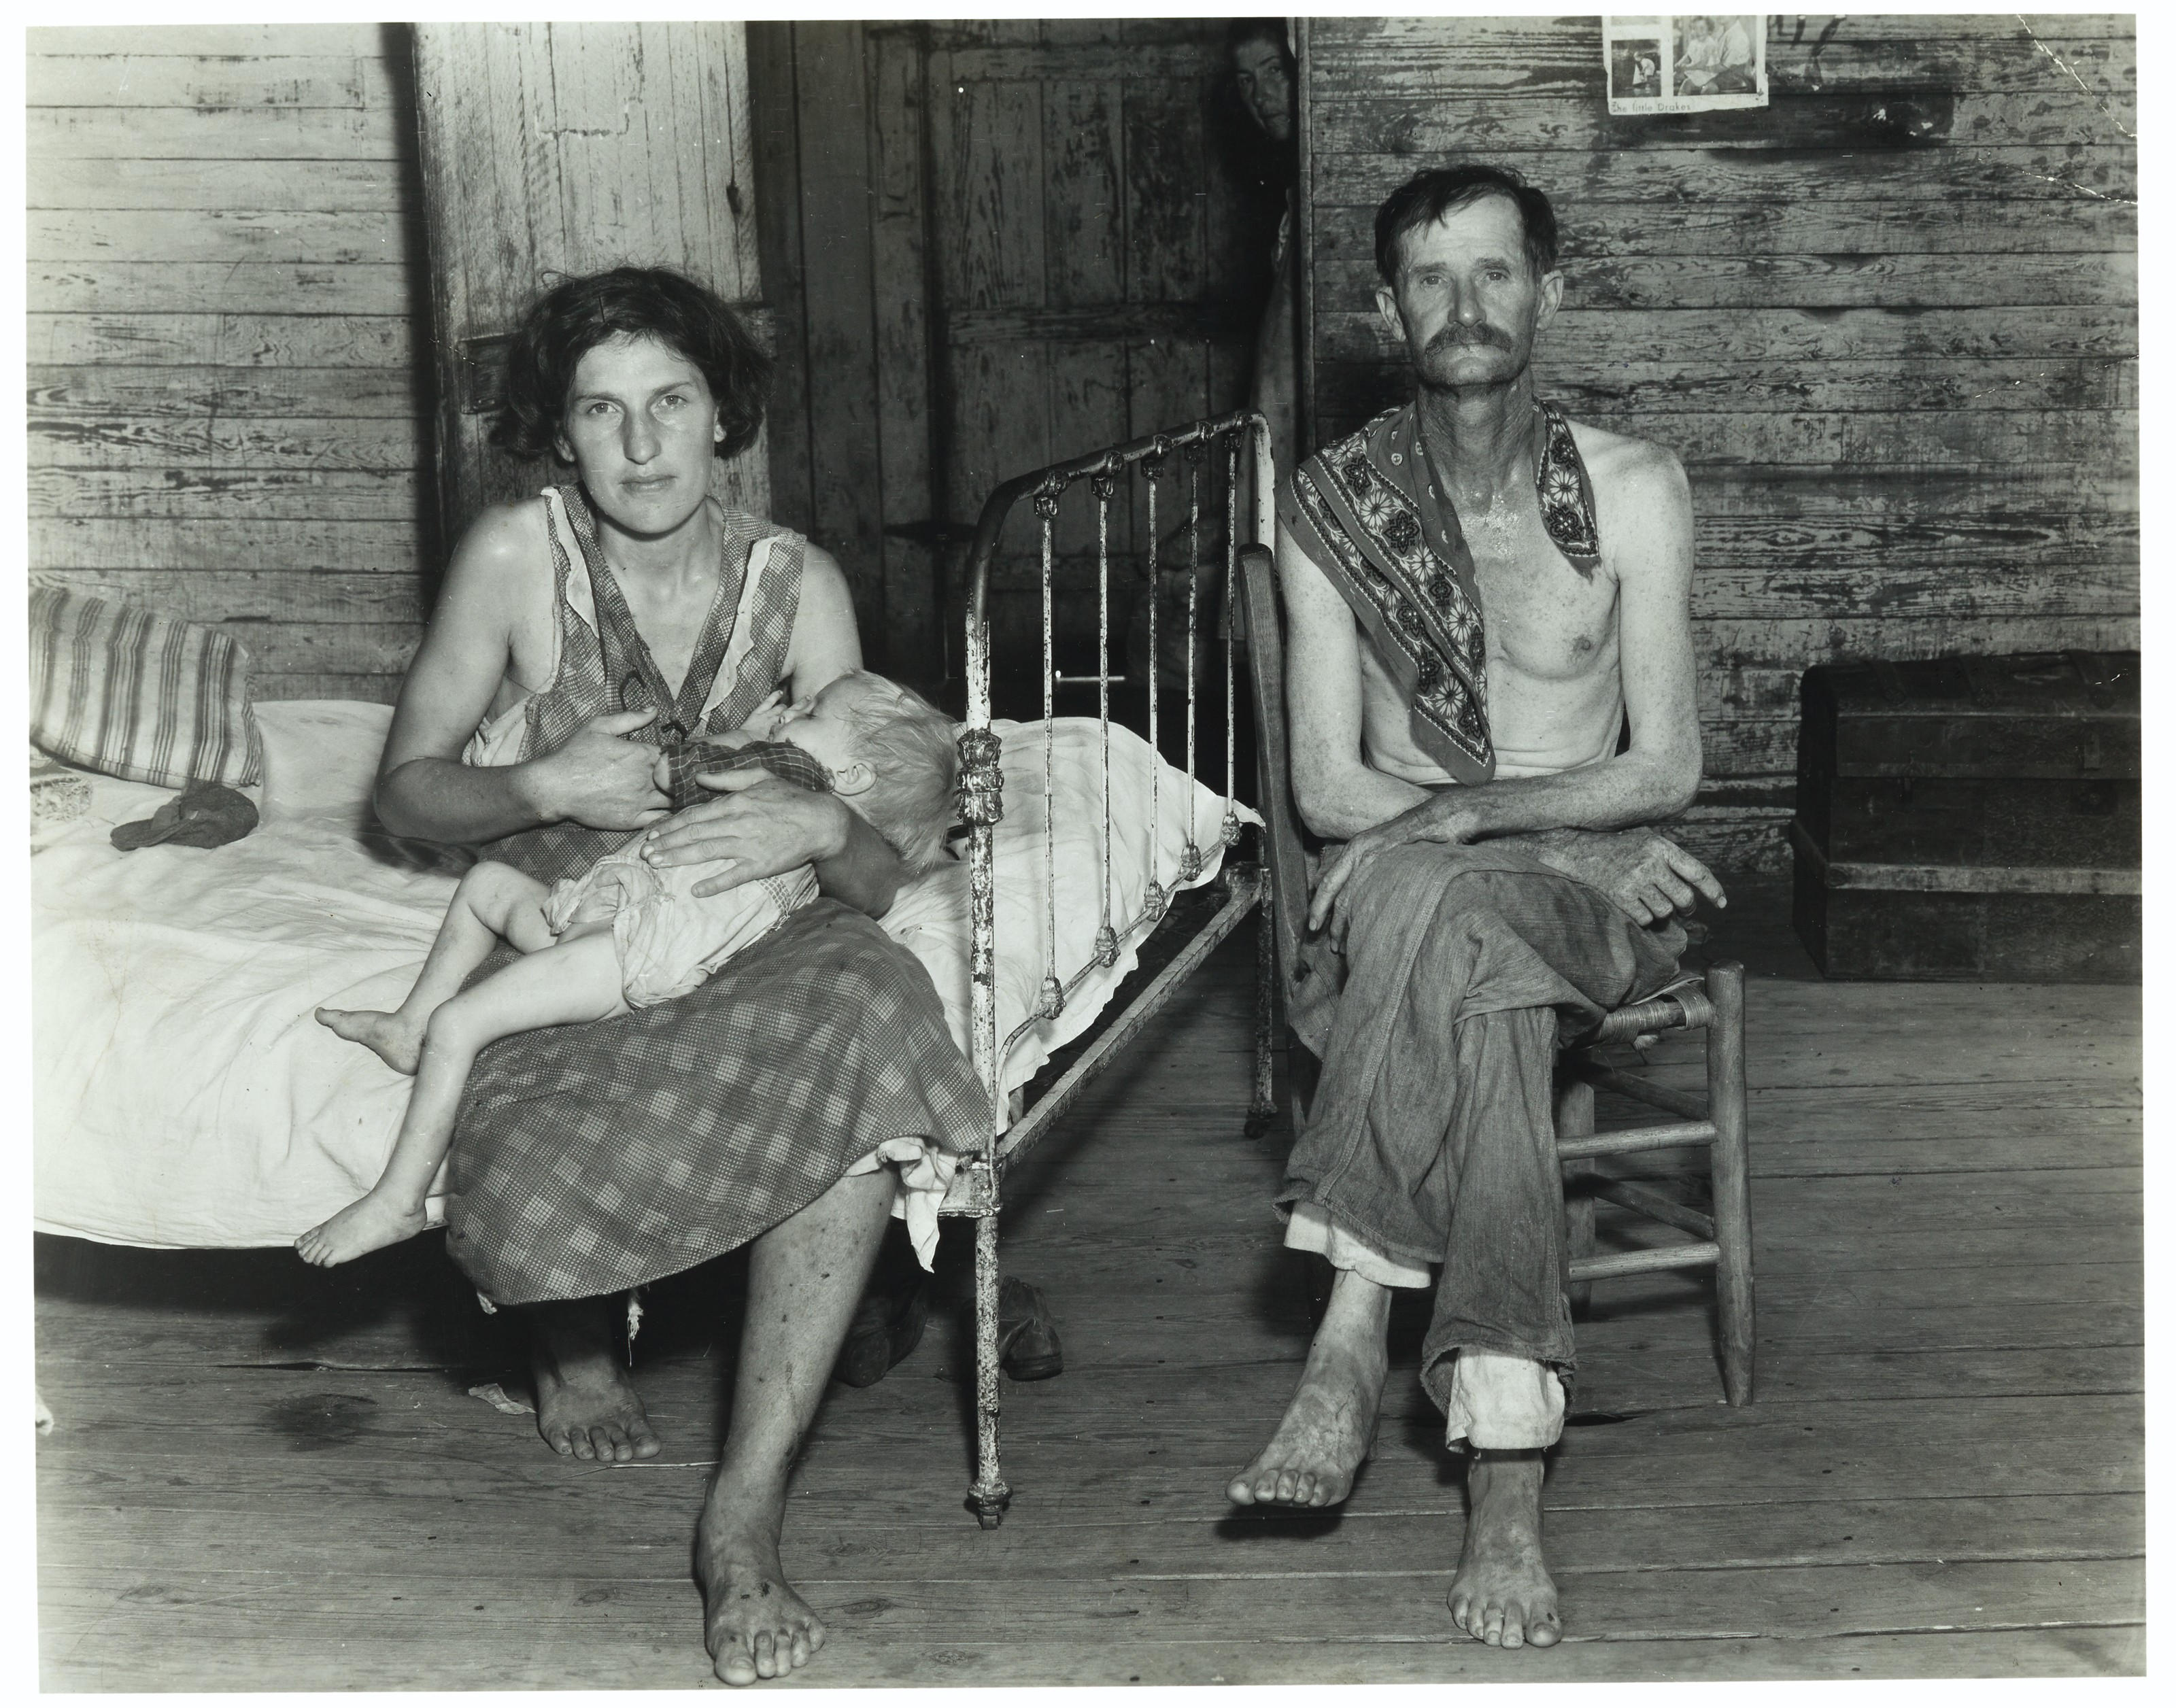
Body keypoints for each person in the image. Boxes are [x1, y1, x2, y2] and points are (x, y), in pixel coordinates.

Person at [367, 264, 988, 1686]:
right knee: (518, 1089)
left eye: (671, 403)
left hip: (755, 920)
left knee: (865, 1030)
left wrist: (826, 824)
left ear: (724, 420)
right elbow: (404, 798)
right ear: (560, 433)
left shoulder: (799, 583)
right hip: (583, 913)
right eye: (601, 411)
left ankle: (741, 1518)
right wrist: (537, 776)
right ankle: (574, 1344)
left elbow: (892, 859)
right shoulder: (518, 558)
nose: (640, 445)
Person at [1225, 165, 1727, 1652]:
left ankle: (1348, 1328)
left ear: (1547, 293)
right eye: (1430, 281)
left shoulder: (1634, 488)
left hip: (1596, 899)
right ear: (1387, 311)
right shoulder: (1332, 506)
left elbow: (1670, 760)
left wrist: (1473, 816)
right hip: (1441, 893)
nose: (1464, 307)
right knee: (1478, 979)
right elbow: (1325, 787)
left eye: (1495, 274)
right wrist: (1528, 840)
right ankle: (1505, 1477)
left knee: (1458, 914)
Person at [299, 668, 959, 1269]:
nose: (791, 711)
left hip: (628, 952)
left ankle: (398, 1198)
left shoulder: (790, 777)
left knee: (461, 1023)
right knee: (488, 883)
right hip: (605, 913)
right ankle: (407, 1031)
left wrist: (637, 758)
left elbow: (688, 768)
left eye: (812, 712)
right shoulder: (801, 797)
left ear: (849, 777)